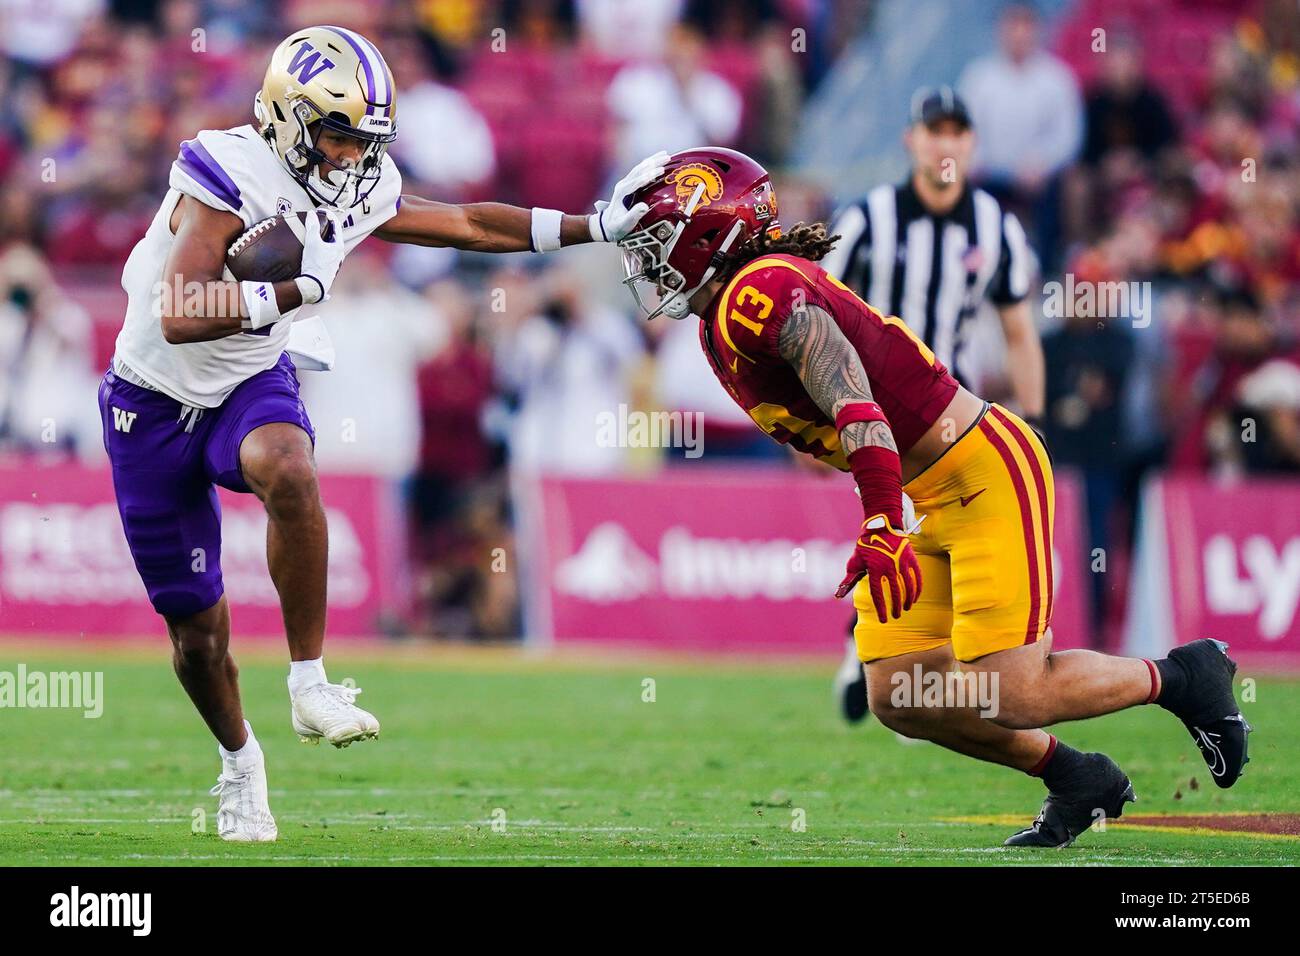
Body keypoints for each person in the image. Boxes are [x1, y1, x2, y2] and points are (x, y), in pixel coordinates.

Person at [99, 24, 664, 843]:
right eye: (337, 135)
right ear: (289, 121)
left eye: (365, 141)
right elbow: (180, 314)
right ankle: (240, 761)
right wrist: (294, 291)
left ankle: (309, 681)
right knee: (196, 635)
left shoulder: (354, 180)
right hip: (148, 400)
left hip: (247, 380)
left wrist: (597, 226)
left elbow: (468, 224)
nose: (351, 157)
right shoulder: (226, 173)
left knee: (287, 466)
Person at [614, 146, 1251, 847]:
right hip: (932, 491)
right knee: (900, 694)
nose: (646, 262)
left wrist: (881, 521)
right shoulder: (724, 314)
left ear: (712, 240)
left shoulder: (757, 293)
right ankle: (1078, 777)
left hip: (979, 470)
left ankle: (1185, 675)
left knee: (1014, 689)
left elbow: (861, 409)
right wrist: (549, 228)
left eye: (656, 245)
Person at [823, 86, 1043, 722]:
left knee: (929, 532)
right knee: (889, 523)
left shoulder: (996, 226)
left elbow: (1020, 331)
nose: (945, 143)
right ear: (911, 140)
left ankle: (887, 664)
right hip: (869, 402)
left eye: (956, 131)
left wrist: (1032, 419)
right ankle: (880, 660)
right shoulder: (867, 219)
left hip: (951, 407)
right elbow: (819, 307)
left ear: (970, 143)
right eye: (934, 130)